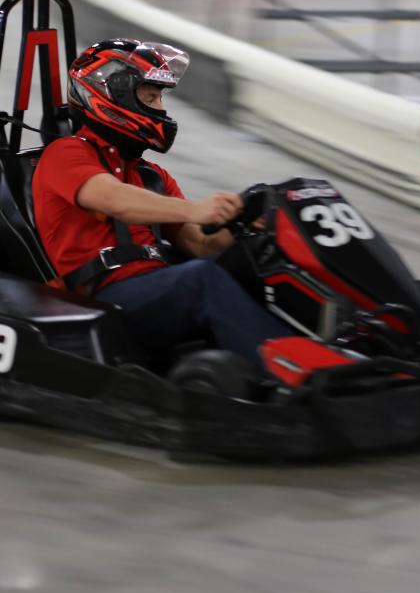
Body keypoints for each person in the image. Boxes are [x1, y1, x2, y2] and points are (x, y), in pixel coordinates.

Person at [31, 39, 290, 370]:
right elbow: (112, 199)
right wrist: (196, 209)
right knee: (201, 280)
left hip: (155, 290)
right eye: (151, 97)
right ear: (112, 94)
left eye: (160, 98)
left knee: (256, 260)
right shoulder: (66, 153)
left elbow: (200, 244)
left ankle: (332, 344)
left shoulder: (152, 176)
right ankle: (287, 369)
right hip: (102, 298)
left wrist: (251, 231)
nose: (161, 109)